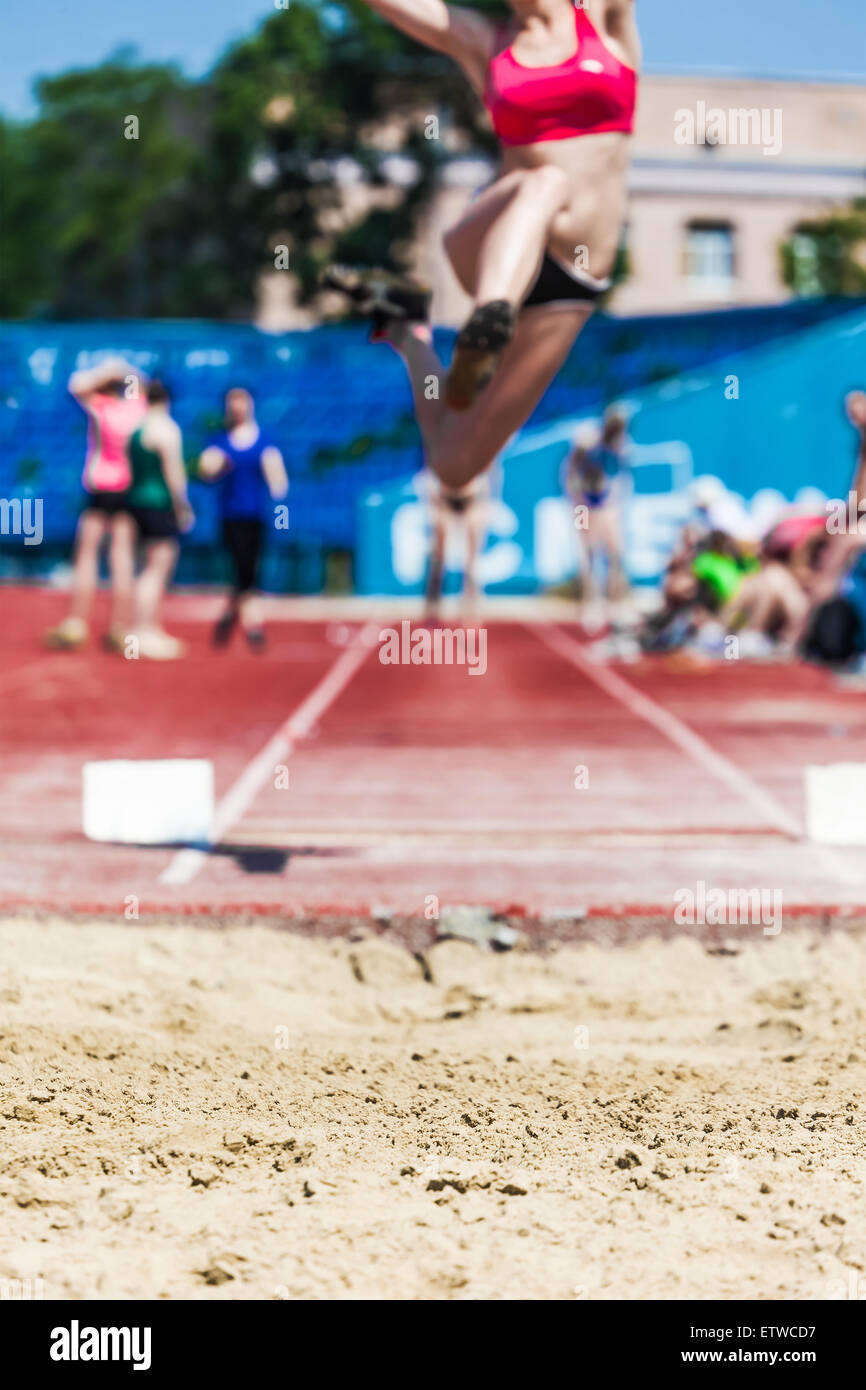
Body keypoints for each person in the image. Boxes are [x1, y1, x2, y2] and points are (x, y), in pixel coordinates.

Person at [323, 0, 639, 491]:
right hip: (496, 241)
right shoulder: (486, 43)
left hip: (569, 284)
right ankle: (490, 317)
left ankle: (411, 331)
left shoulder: (601, 18)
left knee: (453, 466)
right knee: (546, 183)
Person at [45, 357, 146, 650]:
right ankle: (119, 626)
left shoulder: (101, 406)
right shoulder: (137, 409)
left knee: (87, 554)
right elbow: (142, 384)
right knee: (122, 556)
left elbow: (76, 385)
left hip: (102, 487)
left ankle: (77, 623)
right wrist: (125, 371)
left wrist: (107, 369)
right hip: (128, 488)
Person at [199, 388, 288, 650]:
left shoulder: (264, 441)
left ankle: (229, 613)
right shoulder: (220, 442)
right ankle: (254, 625)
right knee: (242, 569)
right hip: (230, 516)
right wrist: (213, 466)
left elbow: (278, 481)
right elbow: (206, 470)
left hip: (255, 516)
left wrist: (280, 509)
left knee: (249, 570)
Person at [125, 380, 194, 661]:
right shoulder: (166, 428)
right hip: (159, 503)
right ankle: (145, 632)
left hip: (137, 501)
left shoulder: (137, 428)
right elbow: (173, 471)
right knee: (157, 569)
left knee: (145, 567)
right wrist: (183, 506)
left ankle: (147, 629)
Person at [563, 404, 631, 629]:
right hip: (584, 502)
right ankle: (590, 604)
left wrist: (616, 499)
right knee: (589, 554)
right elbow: (569, 469)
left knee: (615, 553)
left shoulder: (622, 445)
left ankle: (615, 604)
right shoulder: (587, 440)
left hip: (606, 502)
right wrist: (576, 496)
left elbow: (623, 476)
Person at [420, 469, 491, 618]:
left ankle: (471, 609)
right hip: (446, 498)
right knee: (438, 560)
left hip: (471, 498)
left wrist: (485, 502)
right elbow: (430, 472)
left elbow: (488, 475)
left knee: (472, 563)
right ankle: (432, 608)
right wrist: (433, 502)